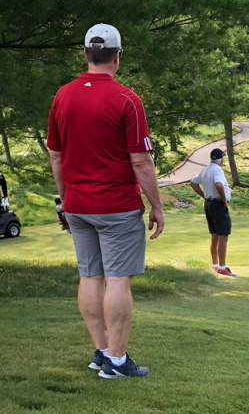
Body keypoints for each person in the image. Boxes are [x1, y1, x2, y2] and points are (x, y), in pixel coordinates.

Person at [47, 24, 163, 379]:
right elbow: (141, 161)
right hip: (116, 205)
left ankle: (100, 351)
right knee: (117, 280)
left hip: (78, 204)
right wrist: (157, 205)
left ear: (85, 54)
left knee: (90, 276)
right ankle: (116, 360)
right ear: (117, 56)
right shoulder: (127, 99)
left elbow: (55, 155)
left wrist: (65, 200)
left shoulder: (63, 96)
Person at [190, 148, 236, 277]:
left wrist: (204, 196)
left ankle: (215, 264)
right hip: (217, 204)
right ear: (221, 160)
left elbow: (193, 183)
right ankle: (222, 267)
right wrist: (224, 200)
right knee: (223, 235)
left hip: (208, 204)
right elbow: (219, 185)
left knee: (215, 235)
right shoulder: (217, 170)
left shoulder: (206, 169)